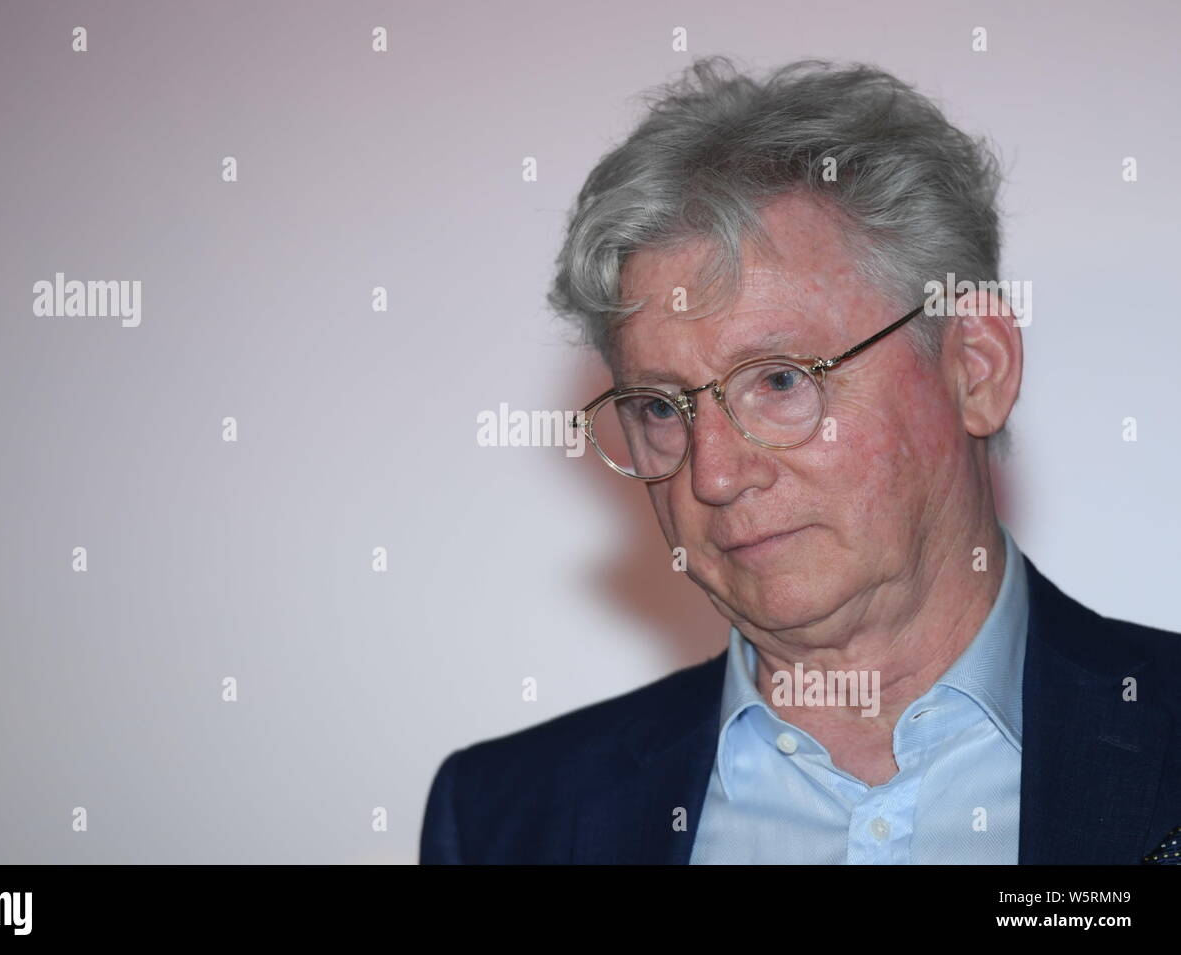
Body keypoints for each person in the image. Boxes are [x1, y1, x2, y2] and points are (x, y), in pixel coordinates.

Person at [420, 56, 1181, 864]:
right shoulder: (509, 818)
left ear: (976, 367)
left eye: (780, 380)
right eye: (658, 408)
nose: (712, 475)